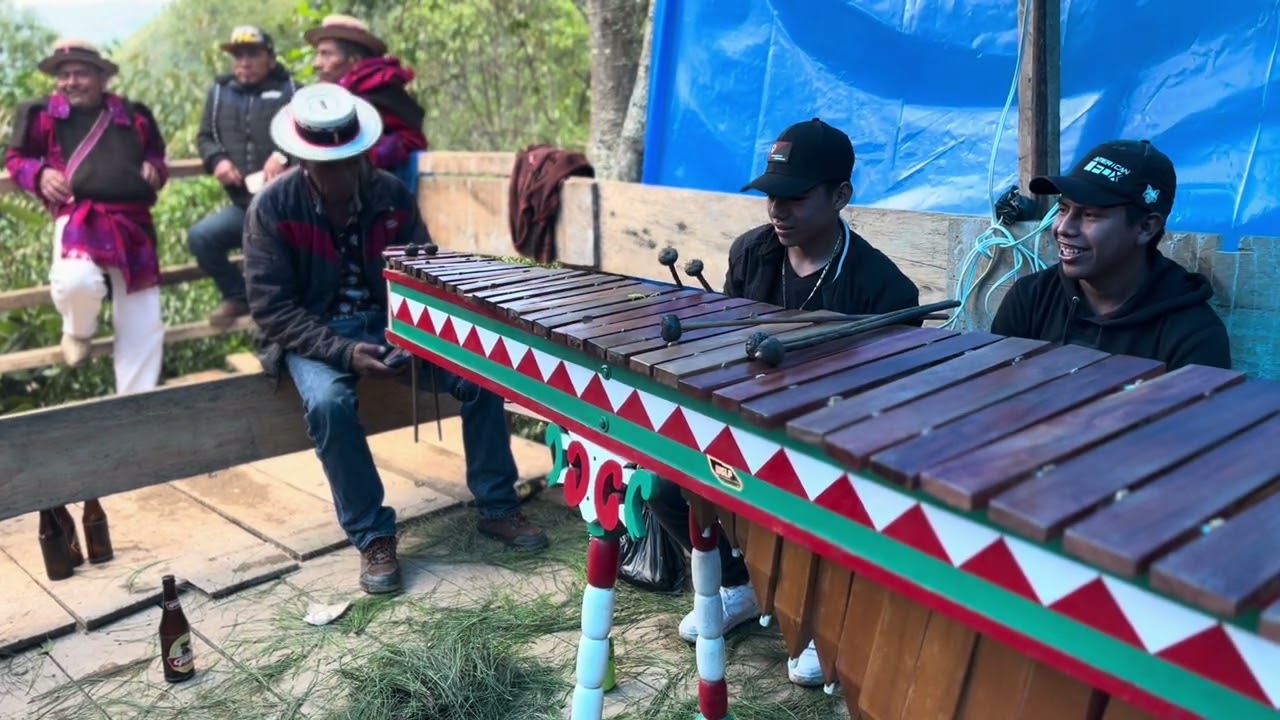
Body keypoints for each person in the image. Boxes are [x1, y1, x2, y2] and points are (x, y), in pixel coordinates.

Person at [646, 118, 920, 687]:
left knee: (817, 504)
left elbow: (887, 406)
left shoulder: (885, 290)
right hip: (750, 422)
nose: (778, 210)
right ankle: (739, 584)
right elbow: (728, 347)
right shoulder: (752, 254)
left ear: (841, 195)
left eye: (795, 198)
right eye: (771, 196)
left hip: (833, 440)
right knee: (667, 483)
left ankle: (825, 619)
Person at [243, 83, 548, 595]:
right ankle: (373, 535)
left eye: (347, 161)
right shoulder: (271, 209)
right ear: (303, 160)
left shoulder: (391, 194)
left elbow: (421, 273)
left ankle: (498, 505)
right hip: (315, 333)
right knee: (329, 404)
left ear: (361, 153)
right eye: (326, 165)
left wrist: (415, 333)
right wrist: (343, 351)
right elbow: (272, 309)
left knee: (482, 370)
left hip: (393, 324)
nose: (339, 174)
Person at [4, 39, 167, 384]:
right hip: (79, 215)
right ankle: (78, 330)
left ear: (102, 77)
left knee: (144, 316)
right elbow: (16, 159)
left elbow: (155, 153)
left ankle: (137, 406)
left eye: (80, 74)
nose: (71, 82)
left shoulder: (134, 115)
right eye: (64, 75)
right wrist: (39, 173)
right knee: (75, 282)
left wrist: (155, 167)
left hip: (133, 221)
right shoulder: (40, 115)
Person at [991, 139, 1232, 370]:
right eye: (1063, 209)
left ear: (1146, 227)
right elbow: (993, 393)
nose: (1063, 228)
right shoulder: (1031, 297)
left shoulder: (1194, 333)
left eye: (1090, 215)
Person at [189, 25, 299, 329]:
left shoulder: (292, 89)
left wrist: (282, 156)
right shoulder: (221, 91)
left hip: (284, 208)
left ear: (271, 58)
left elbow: (308, 134)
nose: (244, 62)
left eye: (252, 55)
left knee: (280, 264)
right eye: (238, 56)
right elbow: (205, 136)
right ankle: (238, 296)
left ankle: (288, 319)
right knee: (202, 238)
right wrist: (217, 160)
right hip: (243, 206)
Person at [304, 14, 427, 180]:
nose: (316, 63)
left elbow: (411, 139)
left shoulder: (382, 90)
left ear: (354, 60)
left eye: (326, 54)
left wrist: (366, 157)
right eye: (318, 54)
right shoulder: (326, 97)